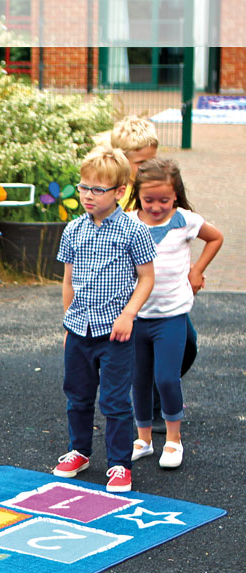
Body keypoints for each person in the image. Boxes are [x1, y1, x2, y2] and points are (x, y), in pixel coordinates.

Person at [53, 146, 156, 493]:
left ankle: (118, 464)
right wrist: (68, 322)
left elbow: (146, 278)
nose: (87, 195)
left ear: (120, 192)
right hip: (79, 329)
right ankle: (79, 451)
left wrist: (129, 314)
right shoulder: (73, 230)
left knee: (114, 400)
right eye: (83, 187)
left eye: (97, 190)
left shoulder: (133, 231)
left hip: (116, 333)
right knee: (77, 396)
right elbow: (68, 281)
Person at [99, 114, 198, 427]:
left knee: (189, 344)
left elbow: (177, 231)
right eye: (141, 162)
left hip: (167, 296)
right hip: (135, 295)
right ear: (123, 160)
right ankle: (149, 405)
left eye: (151, 160)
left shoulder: (155, 190)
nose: (147, 168)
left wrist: (192, 270)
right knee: (135, 357)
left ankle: (159, 389)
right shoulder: (117, 198)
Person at [127, 158, 223, 469]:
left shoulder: (185, 220)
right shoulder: (128, 222)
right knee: (140, 381)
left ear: (176, 195)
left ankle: (173, 440)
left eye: (164, 200)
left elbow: (216, 237)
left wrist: (197, 271)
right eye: (149, 200)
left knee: (166, 379)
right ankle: (143, 439)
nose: (156, 207)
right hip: (137, 317)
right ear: (137, 195)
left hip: (171, 316)